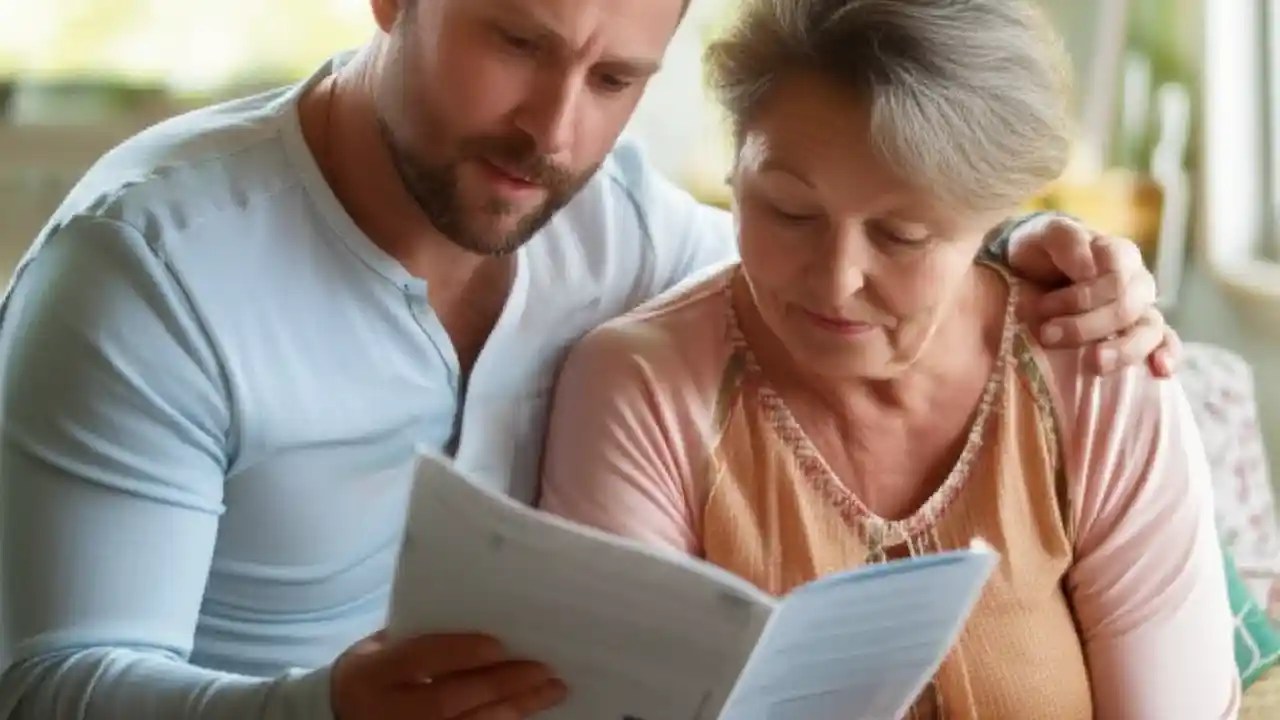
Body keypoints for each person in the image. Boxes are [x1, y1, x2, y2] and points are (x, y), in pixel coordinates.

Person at [0, 0, 1177, 718]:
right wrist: (319, 712)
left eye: (614, 79)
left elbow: (819, 259)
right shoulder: (149, 272)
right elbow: (45, 687)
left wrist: (1023, 250)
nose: (554, 131)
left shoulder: (605, 217)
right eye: (517, 42)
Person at [538, 0, 1239, 718]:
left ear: (989, 216)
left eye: (902, 235)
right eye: (789, 212)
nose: (836, 280)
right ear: (737, 171)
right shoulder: (644, 389)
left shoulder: (1096, 368)